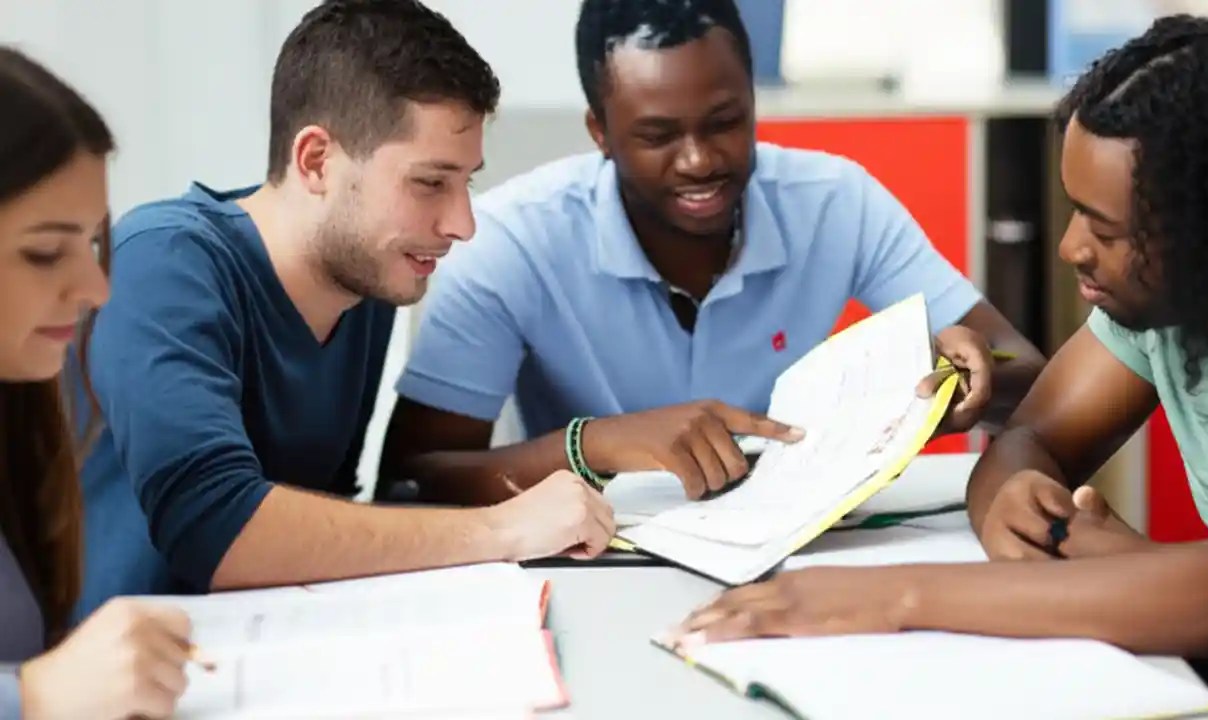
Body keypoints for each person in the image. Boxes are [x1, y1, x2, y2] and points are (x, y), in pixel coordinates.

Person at [672, 13, 1208, 716]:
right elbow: (1029, 440)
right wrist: (1020, 504)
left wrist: (888, 596)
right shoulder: (1159, 313)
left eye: (1104, 228)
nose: (1070, 248)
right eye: (1074, 212)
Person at [379, 0, 1045, 505]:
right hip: (597, 562)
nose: (699, 160)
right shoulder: (511, 241)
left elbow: (1028, 380)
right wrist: (597, 445)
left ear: (754, 100)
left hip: (797, 549)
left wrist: (978, 374)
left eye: (725, 123)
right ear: (600, 132)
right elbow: (410, 483)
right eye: (657, 135)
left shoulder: (836, 201)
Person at [75, 0, 614, 617]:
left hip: (271, 648)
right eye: (430, 183)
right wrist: (503, 529)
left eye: (468, 183)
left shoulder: (365, 282)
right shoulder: (161, 262)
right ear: (316, 161)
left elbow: (328, 522)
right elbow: (216, 529)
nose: (462, 224)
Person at [0, 48, 194, 720]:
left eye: (90, 244)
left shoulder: (21, 414)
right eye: (45, 251)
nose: (95, 289)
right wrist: (32, 696)